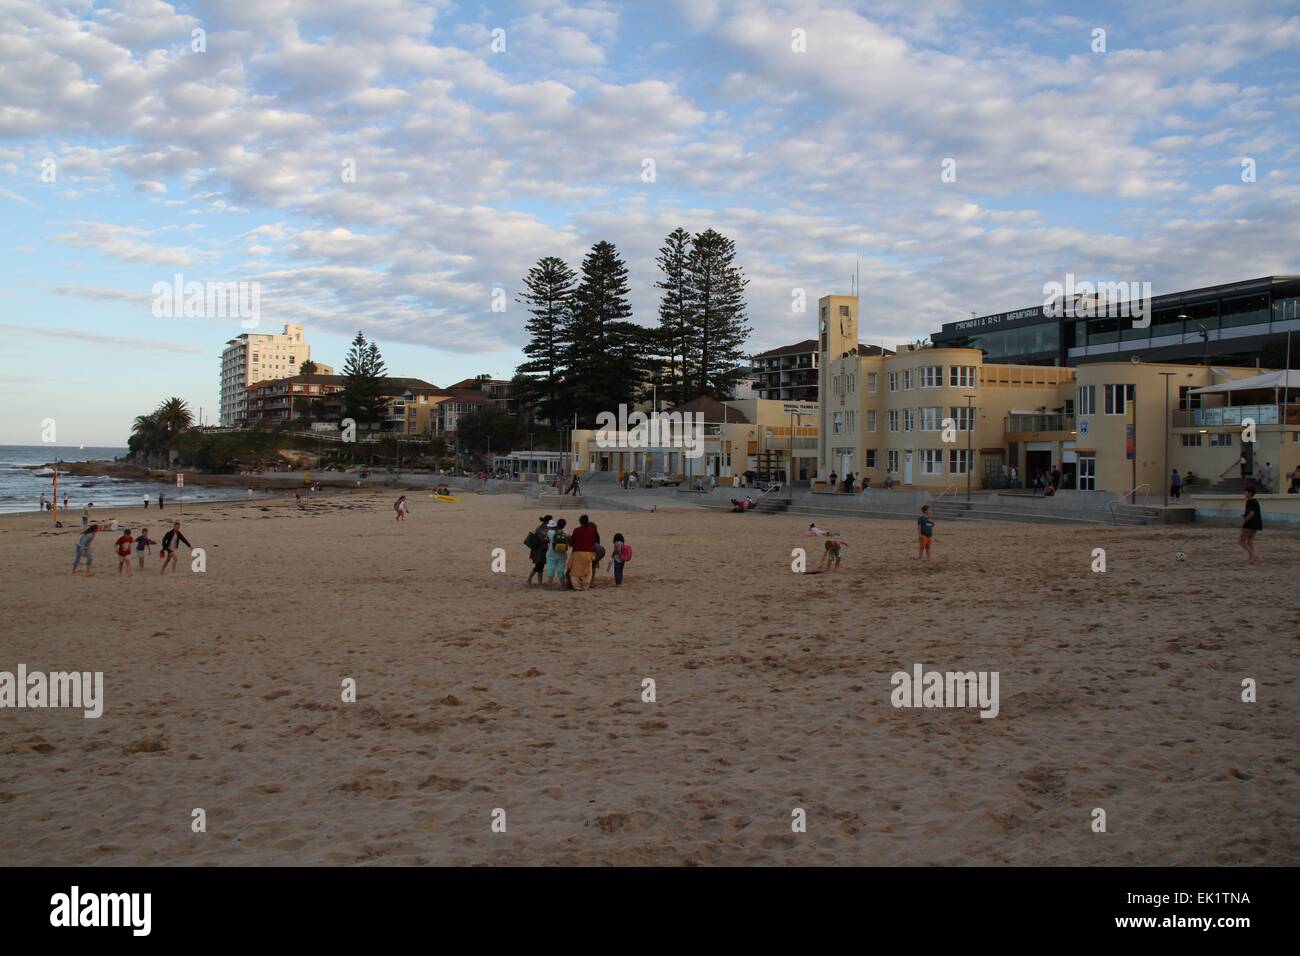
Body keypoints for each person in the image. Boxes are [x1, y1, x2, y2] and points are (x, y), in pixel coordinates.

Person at [567, 514, 599, 591]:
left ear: (580, 522)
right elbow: (593, 542)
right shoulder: (591, 531)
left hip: (577, 552)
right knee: (588, 570)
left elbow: (572, 543)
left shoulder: (576, 530)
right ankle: (585, 586)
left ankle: (577, 586)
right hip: (588, 552)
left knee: (575, 570)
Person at [526, 515, 552, 585]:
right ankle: (529, 579)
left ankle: (540, 582)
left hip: (542, 550)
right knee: (538, 566)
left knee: (541, 566)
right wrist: (548, 538)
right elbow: (542, 540)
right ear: (547, 521)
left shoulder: (544, 527)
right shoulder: (541, 528)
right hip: (539, 550)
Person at [1239, 487, 1262, 564]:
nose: (1244, 493)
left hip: (1249, 524)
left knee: (1241, 541)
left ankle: (1253, 555)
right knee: (1249, 541)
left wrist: (1244, 521)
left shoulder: (1250, 501)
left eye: (1245, 492)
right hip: (1256, 524)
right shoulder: (1255, 501)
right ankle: (1252, 557)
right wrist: (1244, 515)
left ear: (1249, 493)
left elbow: (1251, 513)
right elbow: (1252, 513)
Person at [545, 518, 568, 588]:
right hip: (562, 553)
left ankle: (550, 586)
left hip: (552, 553)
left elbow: (546, 538)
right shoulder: (565, 532)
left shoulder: (549, 532)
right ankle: (563, 585)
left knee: (550, 568)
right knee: (561, 569)